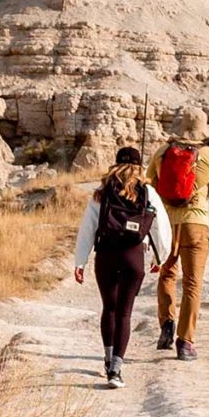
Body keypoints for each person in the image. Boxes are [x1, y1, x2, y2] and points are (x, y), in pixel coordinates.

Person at [73, 146, 172, 389]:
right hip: (133, 256)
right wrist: (159, 257)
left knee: (109, 308)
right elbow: (161, 227)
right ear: (139, 166)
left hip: (106, 255)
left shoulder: (102, 192)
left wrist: (80, 261)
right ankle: (116, 370)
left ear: (115, 165)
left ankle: (108, 359)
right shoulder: (147, 192)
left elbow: (88, 228)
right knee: (124, 313)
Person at [146, 106, 209, 362]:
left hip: (167, 225)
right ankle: (185, 342)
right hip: (196, 225)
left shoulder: (162, 152)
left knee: (167, 274)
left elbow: (148, 188)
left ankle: (166, 323)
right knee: (192, 283)